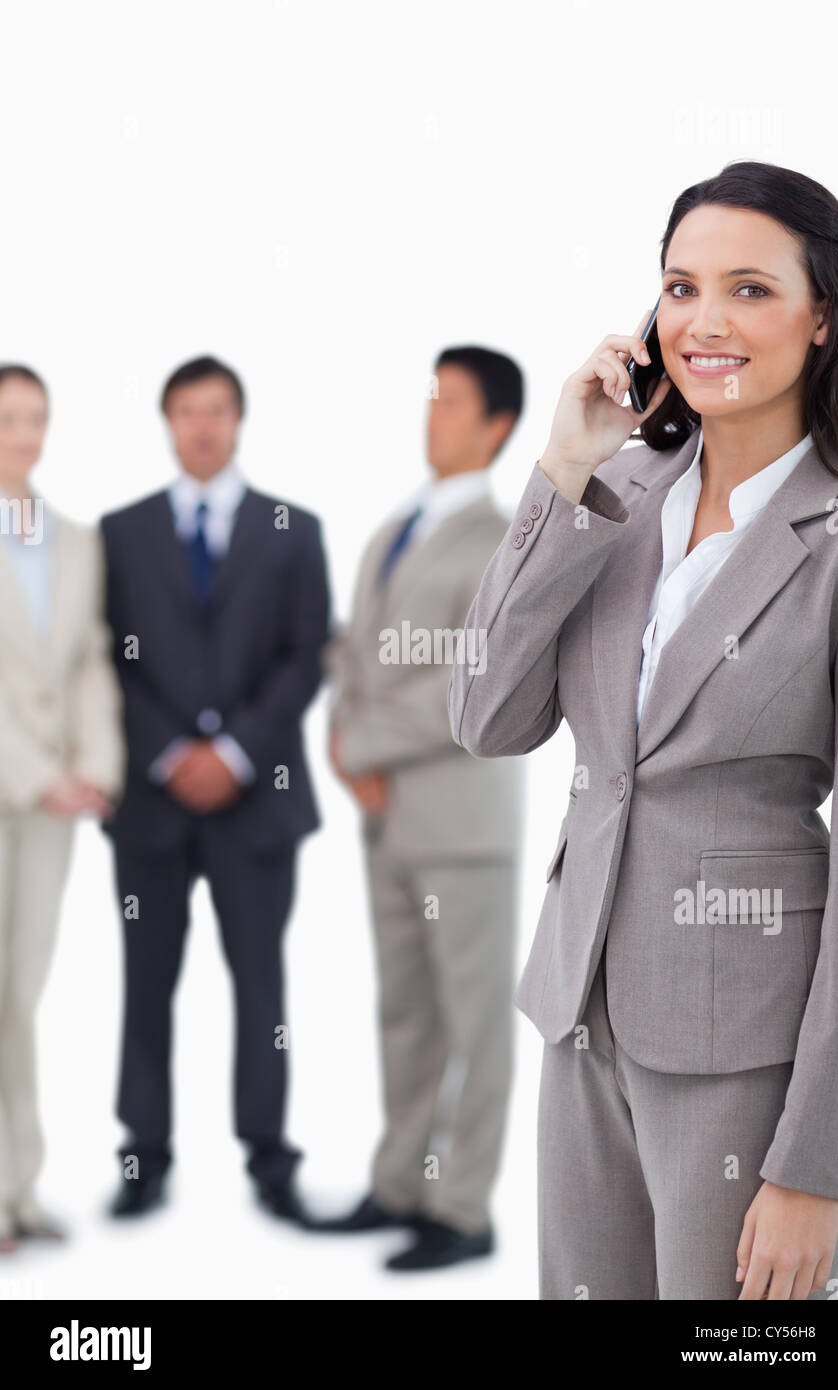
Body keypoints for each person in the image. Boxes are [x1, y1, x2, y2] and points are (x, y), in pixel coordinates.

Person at [448, 161, 838, 1300]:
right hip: (579, 1011)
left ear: (820, 315)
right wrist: (564, 465)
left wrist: (816, 1164)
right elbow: (486, 713)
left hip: (744, 1050)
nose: (703, 322)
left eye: (747, 288)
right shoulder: (619, 492)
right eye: (679, 288)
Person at [99, 356, 330, 1222]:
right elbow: (107, 656)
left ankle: (270, 1159)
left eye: (217, 410)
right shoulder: (120, 533)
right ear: (167, 422)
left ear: (239, 419)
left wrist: (233, 751)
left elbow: (305, 657)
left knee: (261, 988)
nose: (202, 425)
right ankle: (144, 1154)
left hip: (257, 801)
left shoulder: (292, 529)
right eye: (186, 411)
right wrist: (170, 753)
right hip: (150, 804)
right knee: (145, 981)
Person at [321, 346, 525, 1269]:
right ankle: (399, 1182)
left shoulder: (505, 536)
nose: (432, 414)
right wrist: (340, 736)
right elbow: (357, 654)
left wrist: (357, 743)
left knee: (472, 1020)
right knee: (403, 1011)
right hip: (386, 817)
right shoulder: (394, 525)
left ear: (499, 427)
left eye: (453, 403)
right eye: (431, 397)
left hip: (462, 822)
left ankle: (465, 1208)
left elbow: (471, 674)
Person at [0, 364, 124, 1254]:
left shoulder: (76, 541)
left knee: (21, 993)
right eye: (8, 418)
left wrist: (96, 768)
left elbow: (86, 660)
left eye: (35, 418)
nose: (24, 434)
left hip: (49, 807)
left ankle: (17, 1190)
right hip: (15, 781)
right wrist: (36, 771)